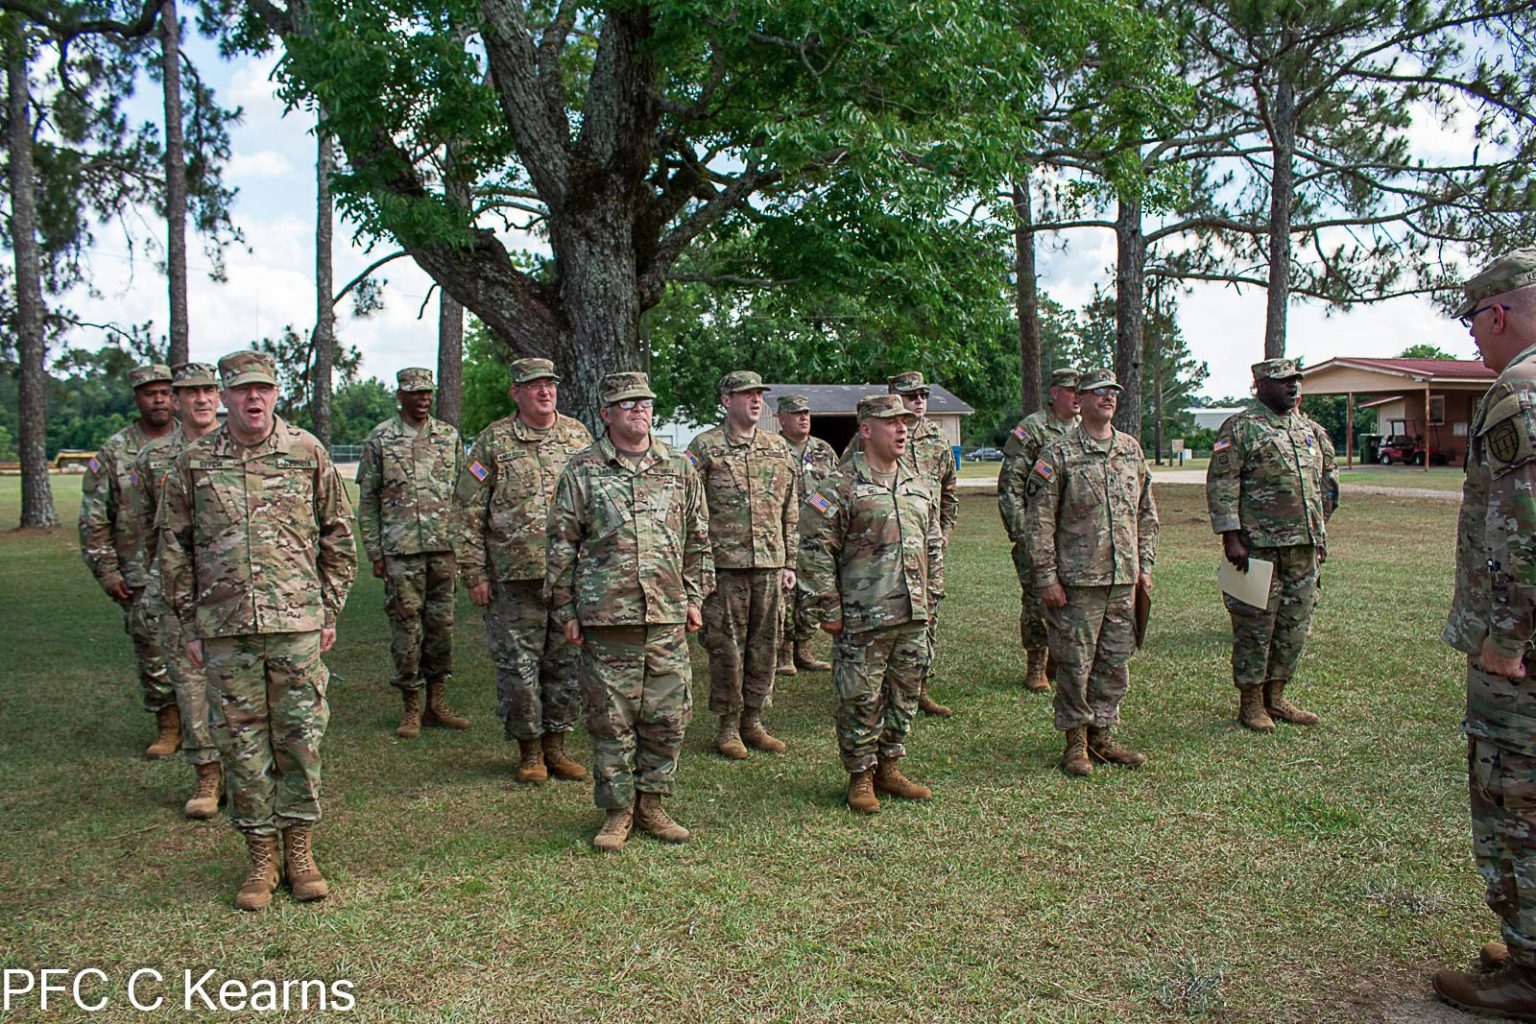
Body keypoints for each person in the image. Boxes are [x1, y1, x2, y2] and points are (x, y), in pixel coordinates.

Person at [157, 350, 357, 911]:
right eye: (241, 390)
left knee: (299, 739)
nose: (253, 399)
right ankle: (260, 856)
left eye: (262, 389)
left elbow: (339, 537)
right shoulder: (196, 462)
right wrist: (191, 623)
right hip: (225, 630)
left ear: (275, 394)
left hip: (296, 625)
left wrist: (328, 610)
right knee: (242, 745)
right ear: (223, 397)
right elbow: (173, 547)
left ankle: (300, 849)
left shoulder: (306, 452)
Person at [1430, 249, 1536, 1019]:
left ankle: (1528, 971)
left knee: (1515, 794)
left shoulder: (1519, 394)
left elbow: (1521, 529)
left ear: (1497, 314)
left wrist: (1507, 633)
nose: (1474, 342)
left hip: (1524, 653)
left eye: (1473, 325)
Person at [546, 371, 712, 851]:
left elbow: (699, 539)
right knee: (610, 719)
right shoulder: (583, 470)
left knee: (667, 716)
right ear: (607, 413)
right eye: (627, 404)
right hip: (606, 617)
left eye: (644, 402)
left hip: (665, 614)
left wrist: (695, 597)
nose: (639, 410)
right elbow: (560, 544)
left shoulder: (679, 468)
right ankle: (617, 811)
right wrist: (566, 609)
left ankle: (653, 803)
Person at [801, 394, 944, 814]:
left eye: (904, 421)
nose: (902, 428)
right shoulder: (840, 486)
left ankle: (890, 766)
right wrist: (828, 608)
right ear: (866, 430)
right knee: (861, 698)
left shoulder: (917, 484)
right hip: (863, 617)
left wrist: (932, 593)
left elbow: (932, 542)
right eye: (890, 422)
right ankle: (860, 776)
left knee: (904, 695)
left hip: (913, 614)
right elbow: (813, 549)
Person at [457, 357, 593, 783]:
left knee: (565, 664)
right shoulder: (493, 441)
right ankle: (530, 750)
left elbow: (595, 501)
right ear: (516, 392)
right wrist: (474, 573)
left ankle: (557, 745)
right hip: (513, 578)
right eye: (533, 386)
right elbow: (466, 511)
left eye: (549, 384)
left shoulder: (577, 436)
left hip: (568, 577)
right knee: (518, 667)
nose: (544, 392)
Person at [1026, 368, 1157, 776]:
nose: (1108, 397)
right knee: (1074, 663)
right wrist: (1047, 577)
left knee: (1115, 661)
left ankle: (1102, 734)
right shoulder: (1058, 455)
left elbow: (1146, 513)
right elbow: (1040, 522)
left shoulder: (1131, 450)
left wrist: (1144, 567)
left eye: (1113, 392)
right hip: (1078, 581)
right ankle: (1076, 742)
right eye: (1098, 392)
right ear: (1078, 401)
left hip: (1122, 579)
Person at [1207, 358, 1339, 732]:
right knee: (1254, 625)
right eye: (1283, 382)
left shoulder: (1310, 431)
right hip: (1256, 547)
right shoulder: (1241, 428)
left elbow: (1327, 484)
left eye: (1296, 381)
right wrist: (1231, 535)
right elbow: (1222, 482)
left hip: (1303, 545)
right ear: (1260, 385)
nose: (1292, 387)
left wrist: (1319, 533)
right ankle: (1250, 702)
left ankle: (1277, 698)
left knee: (1294, 624)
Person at [123, 362, 226, 817]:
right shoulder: (152, 461)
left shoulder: (238, 450)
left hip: (233, 592)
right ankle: (207, 776)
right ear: (177, 399)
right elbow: (144, 530)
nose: (201, 399)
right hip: (178, 593)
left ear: (220, 396)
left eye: (208, 390)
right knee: (190, 685)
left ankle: (247, 777)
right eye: (190, 392)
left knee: (240, 690)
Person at [687, 371, 798, 759]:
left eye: (758, 394)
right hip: (724, 567)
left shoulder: (777, 447)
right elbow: (690, 512)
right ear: (726, 400)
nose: (755, 401)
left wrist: (791, 562)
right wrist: (699, 568)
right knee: (725, 649)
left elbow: (791, 507)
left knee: (765, 646)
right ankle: (728, 725)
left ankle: (754, 719)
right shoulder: (704, 448)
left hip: (769, 562)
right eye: (746, 394)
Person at [357, 367, 469, 739]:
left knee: (441, 630)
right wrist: (375, 552)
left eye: (427, 393)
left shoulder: (448, 437)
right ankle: (410, 707)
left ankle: (437, 703)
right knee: (406, 631)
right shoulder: (380, 440)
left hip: (443, 550)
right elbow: (369, 501)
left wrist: (463, 544)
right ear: (400, 396)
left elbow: (462, 492)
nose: (423, 399)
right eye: (415, 393)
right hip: (401, 552)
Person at [844, 372, 957, 715]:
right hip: (881, 552)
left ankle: (917, 686)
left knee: (925, 620)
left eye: (922, 395)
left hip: (923, 547)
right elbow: (848, 491)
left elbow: (949, 491)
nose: (918, 401)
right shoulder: (865, 440)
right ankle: (876, 692)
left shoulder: (937, 439)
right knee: (883, 625)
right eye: (911, 396)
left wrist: (944, 530)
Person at [79, 363, 178, 758]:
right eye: (149, 392)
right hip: (139, 572)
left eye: (165, 392)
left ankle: (204, 727)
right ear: (136, 398)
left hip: (192, 572)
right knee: (152, 651)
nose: (158, 399)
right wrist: (106, 570)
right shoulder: (114, 452)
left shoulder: (195, 444)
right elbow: (94, 517)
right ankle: (168, 725)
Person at [997, 367, 1081, 692]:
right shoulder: (1031, 430)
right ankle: (1036, 663)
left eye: (1079, 391)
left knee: (1071, 597)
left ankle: (1060, 660)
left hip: (1074, 536)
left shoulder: (1083, 429)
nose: (1076, 397)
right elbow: (1010, 487)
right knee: (1036, 598)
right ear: (1054, 393)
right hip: (1036, 532)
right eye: (1070, 390)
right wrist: (1023, 535)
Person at [776, 393, 838, 675]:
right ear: (782, 417)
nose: (803, 418)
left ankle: (804, 648)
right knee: (785, 595)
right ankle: (784, 652)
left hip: (815, 536)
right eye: (796, 413)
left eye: (806, 413)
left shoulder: (823, 449)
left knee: (812, 595)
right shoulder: (773, 448)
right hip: (780, 534)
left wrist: (821, 510)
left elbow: (836, 489)